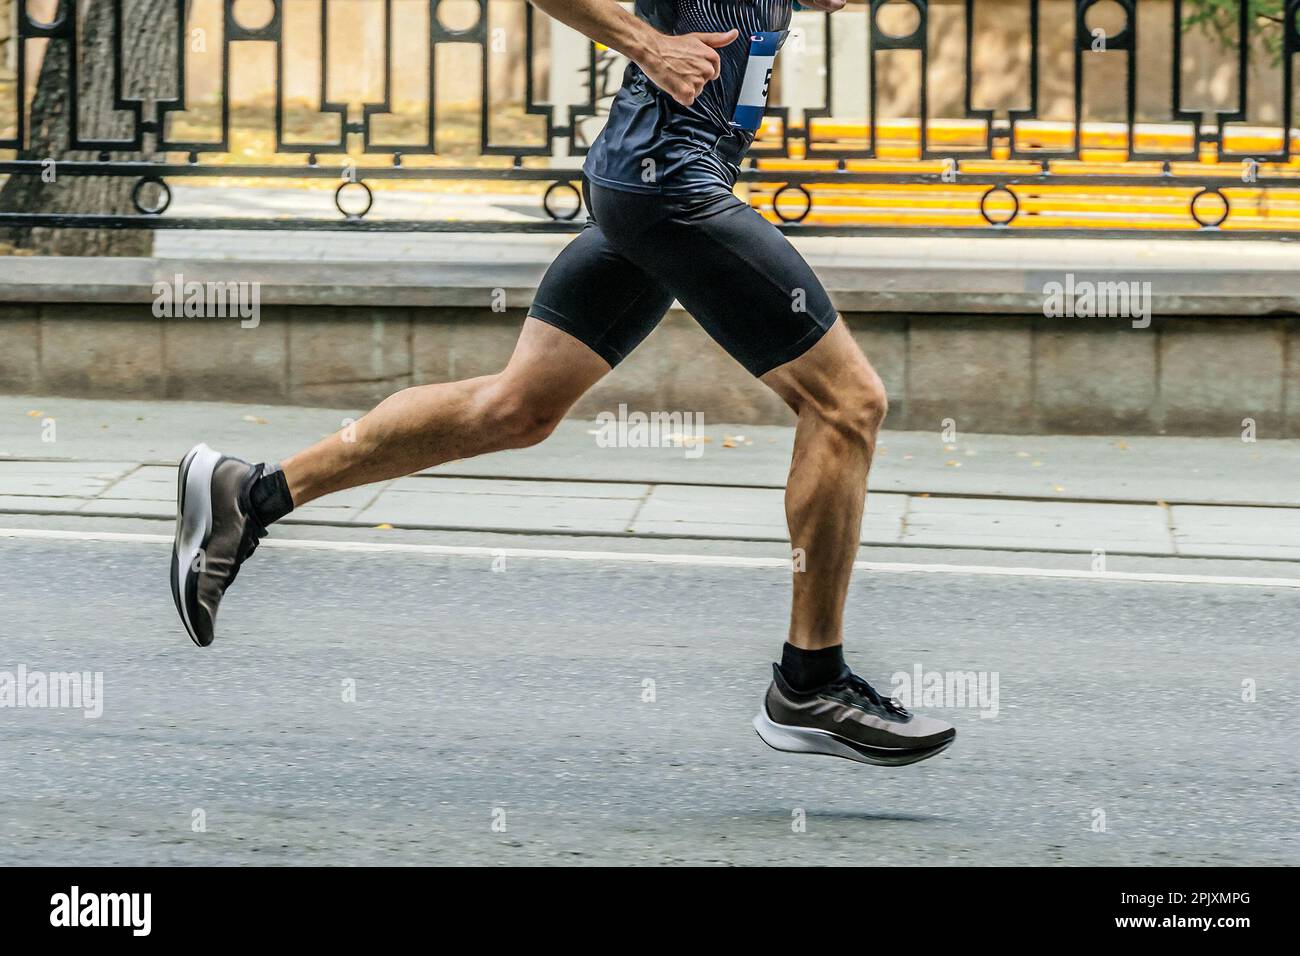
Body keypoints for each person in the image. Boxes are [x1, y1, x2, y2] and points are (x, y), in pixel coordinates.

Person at [171, 0, 956, 767]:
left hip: (656, 186)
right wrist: (646, 42)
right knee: (846, 403)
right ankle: (809, 683)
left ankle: (252, 496)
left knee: (516, 409)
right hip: (671, 188)